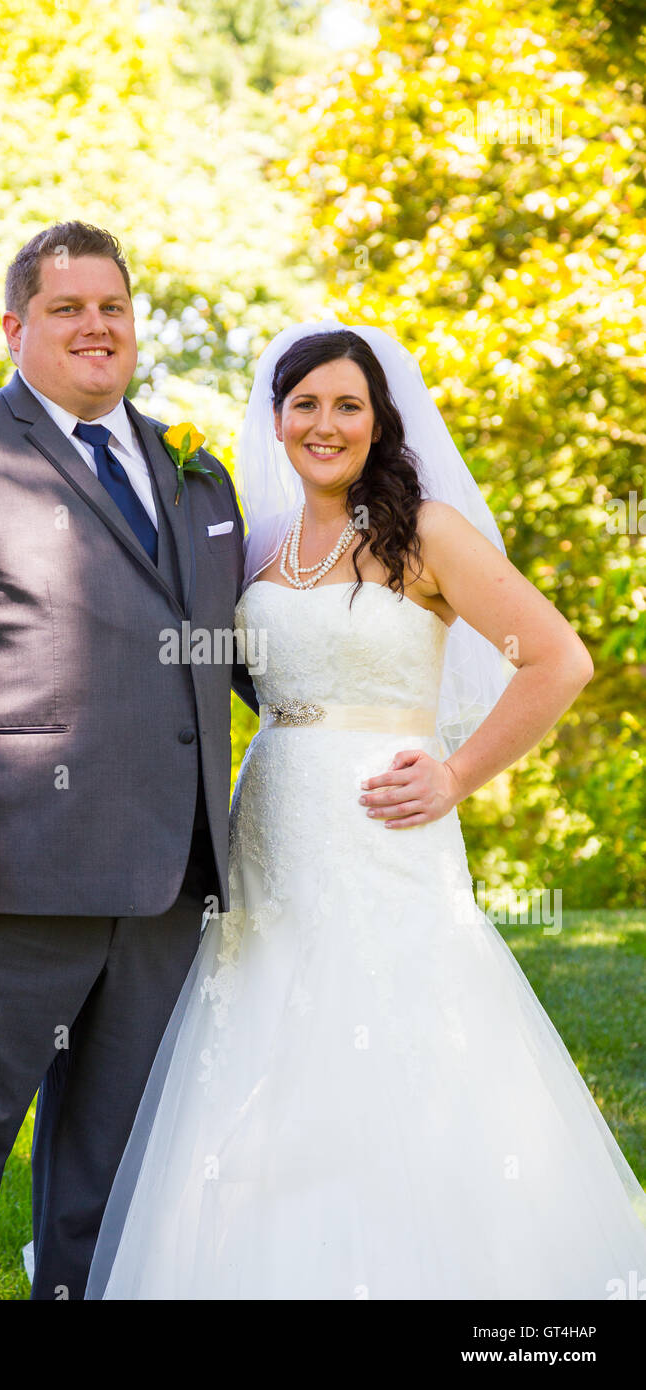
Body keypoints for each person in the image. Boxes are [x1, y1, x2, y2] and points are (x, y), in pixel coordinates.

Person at [85, 323, 646, 1299]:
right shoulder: (253, 543)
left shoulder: (423, 531)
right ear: (276, 419)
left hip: (387, 829)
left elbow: (556, 659)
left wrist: (457, 773)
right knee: (258, 1025)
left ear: (379, 420)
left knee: (396, 1025)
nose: (324, 423)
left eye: (347, 404)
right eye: (304, 403)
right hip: (268, 819)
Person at [0, 220, 256, 1299]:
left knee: (115, 1169)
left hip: (169, 881)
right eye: (68, 307)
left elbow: (235, 647)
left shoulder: (195, 469)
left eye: (112, 307)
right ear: (14, 326)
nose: (95, 326)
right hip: (3, 863)